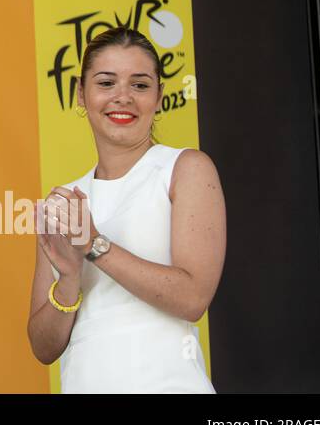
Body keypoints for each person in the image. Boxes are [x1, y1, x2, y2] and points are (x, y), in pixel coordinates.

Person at [26, 26, 227, 392]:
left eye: (140, 85)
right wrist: (69, 280)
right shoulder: (65, 201)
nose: (123, 97)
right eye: (106, 83)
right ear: (80, 94)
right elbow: (43, 347)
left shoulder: (185, 168)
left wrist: (94, 246)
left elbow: (193, 298)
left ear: (160, 97)